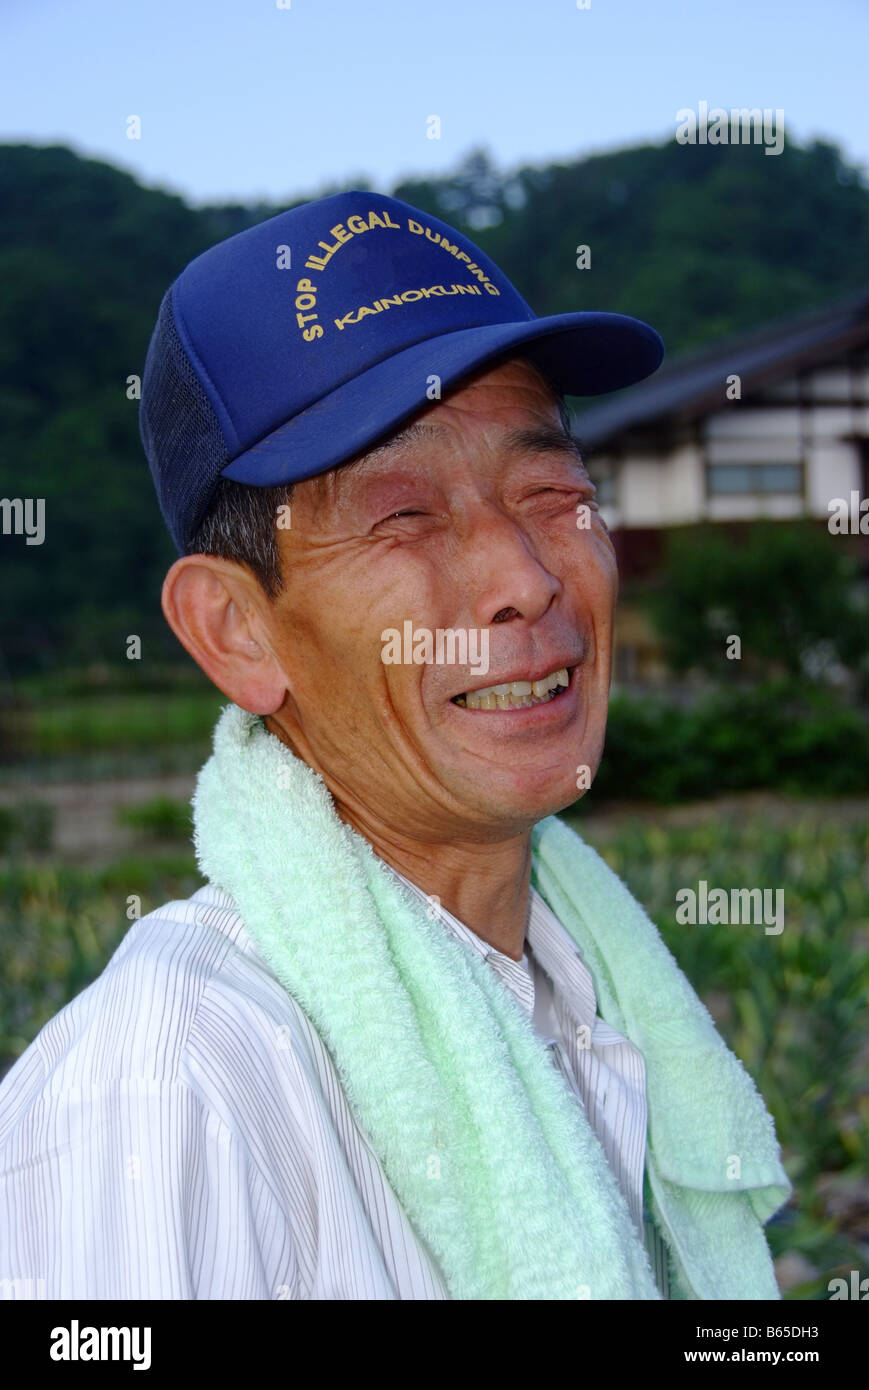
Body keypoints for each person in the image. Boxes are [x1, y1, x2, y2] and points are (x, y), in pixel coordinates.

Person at [0, 190, 791, 1300]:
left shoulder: (585, 983)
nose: (525, 578)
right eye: (402, 517)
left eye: (553, 491)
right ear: (237, 631)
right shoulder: (171, 1089)